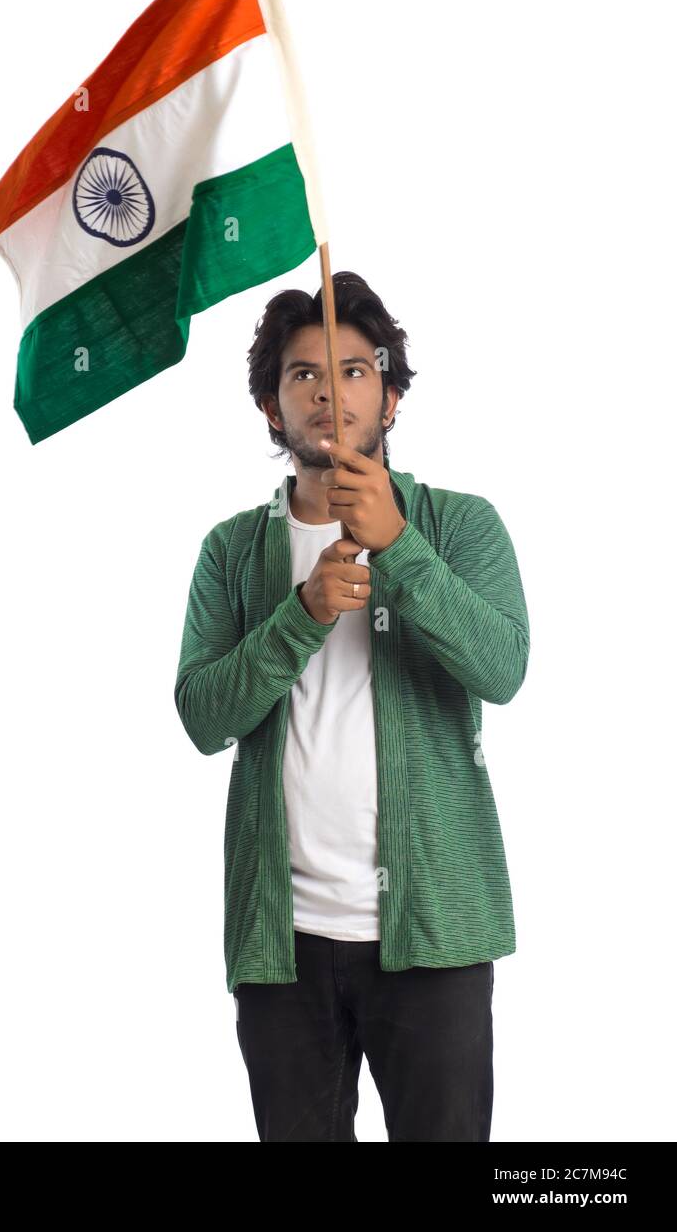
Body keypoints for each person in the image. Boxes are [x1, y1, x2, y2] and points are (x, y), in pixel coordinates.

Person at [174, 270, 530, 1142]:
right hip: (280, 944)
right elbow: (200, 716)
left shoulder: (460, 526)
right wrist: (299, 617)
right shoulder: (231, 552)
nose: (329, 391)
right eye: (302, 375)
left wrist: (399, 549)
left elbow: (502, 666)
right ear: (270, 407)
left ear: (392, 394)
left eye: (354, 369)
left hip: (435, 936)